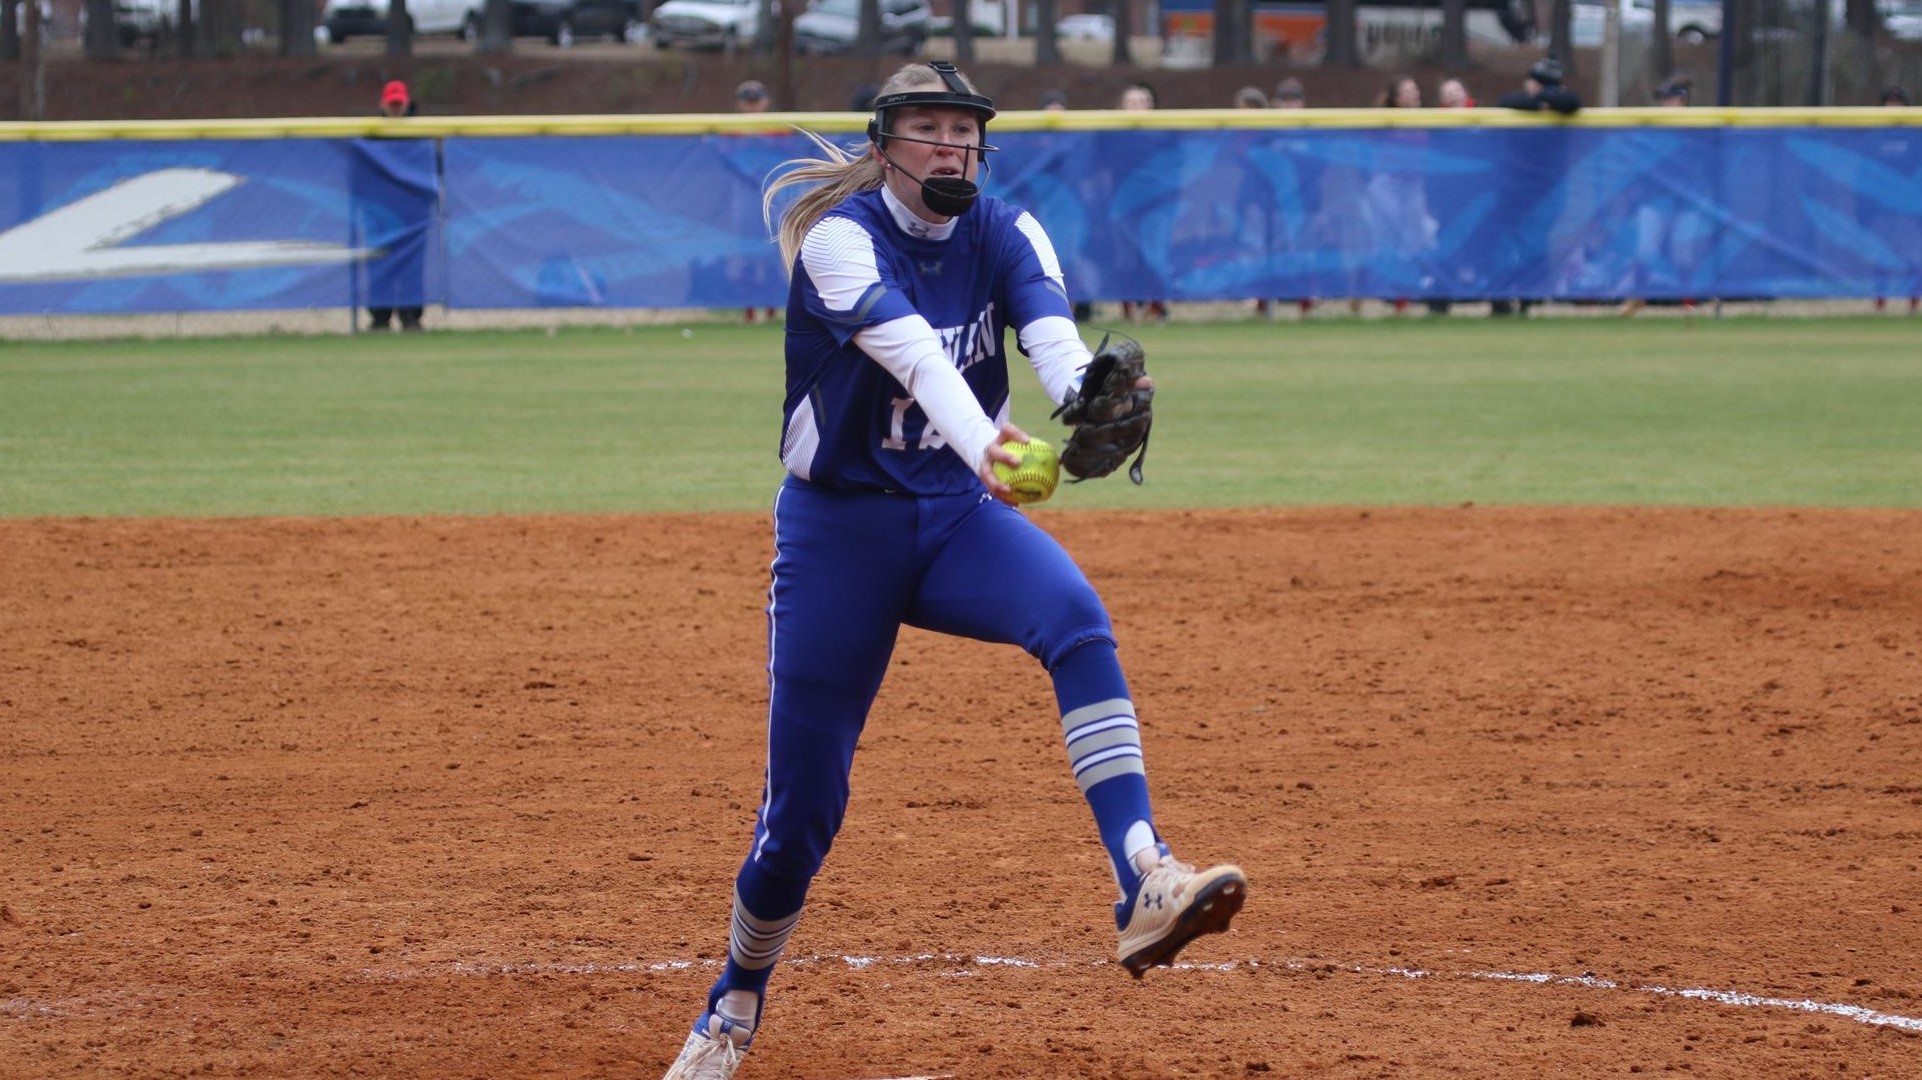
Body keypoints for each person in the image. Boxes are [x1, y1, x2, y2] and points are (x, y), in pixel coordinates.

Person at [659, 60, 1248, 1080]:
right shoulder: (840, 241)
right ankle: (735, 999)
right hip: (837, 534)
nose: (948, 146)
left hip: (948, 519)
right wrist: (988, 448)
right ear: (883, 144)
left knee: (1074, 616)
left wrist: (1089, 393)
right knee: (799, 817)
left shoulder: (1004, 230)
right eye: (926, 128)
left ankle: (1144, 875)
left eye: (963, 130)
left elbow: (1052, 339)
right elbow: (921, 363)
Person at [368, 80, 425, 333]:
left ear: (406, 104)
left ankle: (411, 318)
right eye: (391, 105)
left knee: (412, 266)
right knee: (379, 263)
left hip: (411, 211)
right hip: (379, 212)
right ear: (382, 105)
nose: (395, 109)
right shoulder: (369, 135)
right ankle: (380, 319)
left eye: (398, 105)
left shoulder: (419, 134)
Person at [1115, 82, 1169, 322]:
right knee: (1126, 255)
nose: (1138, 107)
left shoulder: (1163, 136)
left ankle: (1157, 307)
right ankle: (1129, 309)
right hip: (1122, 207)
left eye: (1143, 102)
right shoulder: (1111, 136)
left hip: (1156, 206)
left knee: (1154, 254)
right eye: (1132, 103)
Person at [737, 79, 779, 324]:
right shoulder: (732, 129)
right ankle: (749, 311)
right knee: (747, 252)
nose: (752, 107)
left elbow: (787, 149)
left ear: (765, 102)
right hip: (744, 197)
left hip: (773, 195)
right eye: (748, 102)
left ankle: (773, 309)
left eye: (756, 101)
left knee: (772, 250)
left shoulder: (775, 129)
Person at [1874, 86, 1918, 313]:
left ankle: (1913, 305)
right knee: (1880, 256)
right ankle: (1880, 305)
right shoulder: (1873, 138)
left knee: (1912, 256)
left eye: (1897, 102)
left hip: (1909, 210)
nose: (1893, 106)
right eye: (1888, 102)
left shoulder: (1915, 137)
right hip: (1882, 209)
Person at [1497, 57, 1582, 116]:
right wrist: (1540, 104)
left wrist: (1542, 97)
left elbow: (1571, 101)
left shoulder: (1563, 97)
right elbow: (1505, 101)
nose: (1527, 83)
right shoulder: (1522, 98)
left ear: (1538, 84)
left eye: (1531, 80)